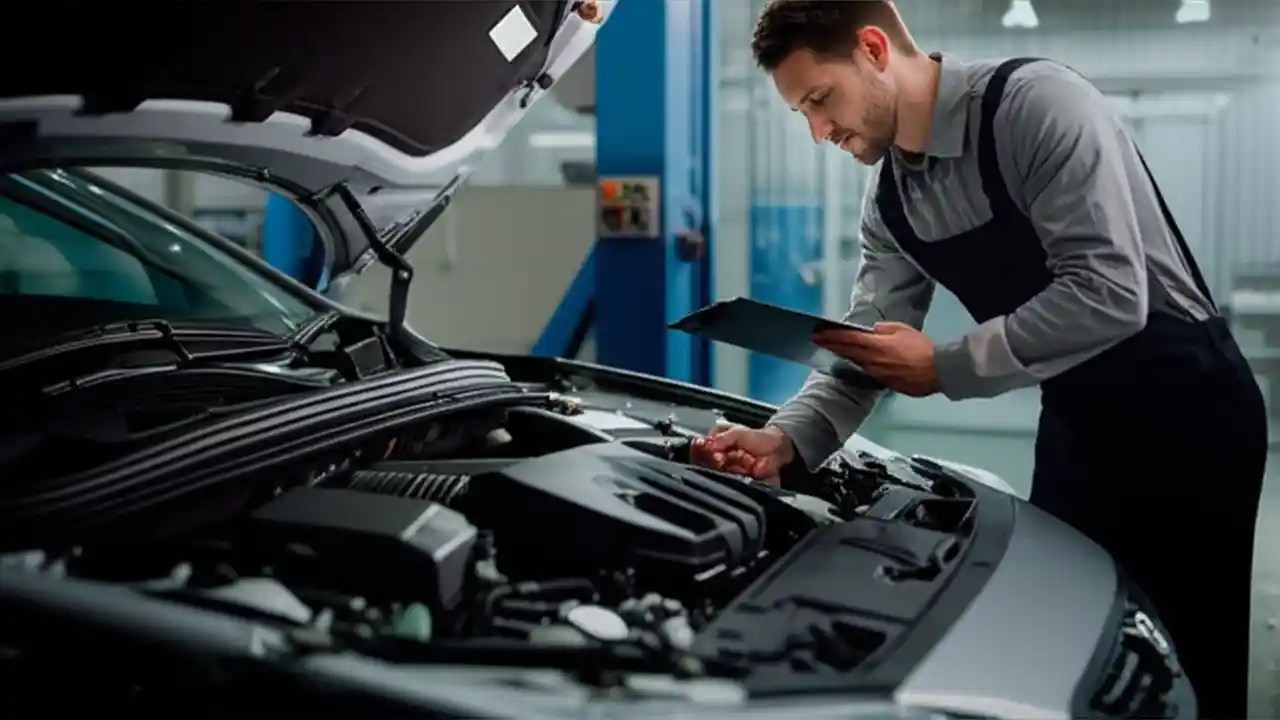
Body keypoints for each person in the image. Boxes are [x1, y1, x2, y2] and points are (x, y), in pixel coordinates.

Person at [691, 1, 1267, 717]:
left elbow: (1111, 292)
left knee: (1184, 658)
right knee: (1071, 642)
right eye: (801, 114)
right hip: (1080, 418)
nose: (818, 132)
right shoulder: (892, 200)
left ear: (873, 48)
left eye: (820, 100)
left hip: (1190, 409)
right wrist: (785, 437)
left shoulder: (1035, 106)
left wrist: (946, 367)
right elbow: (864, 343)